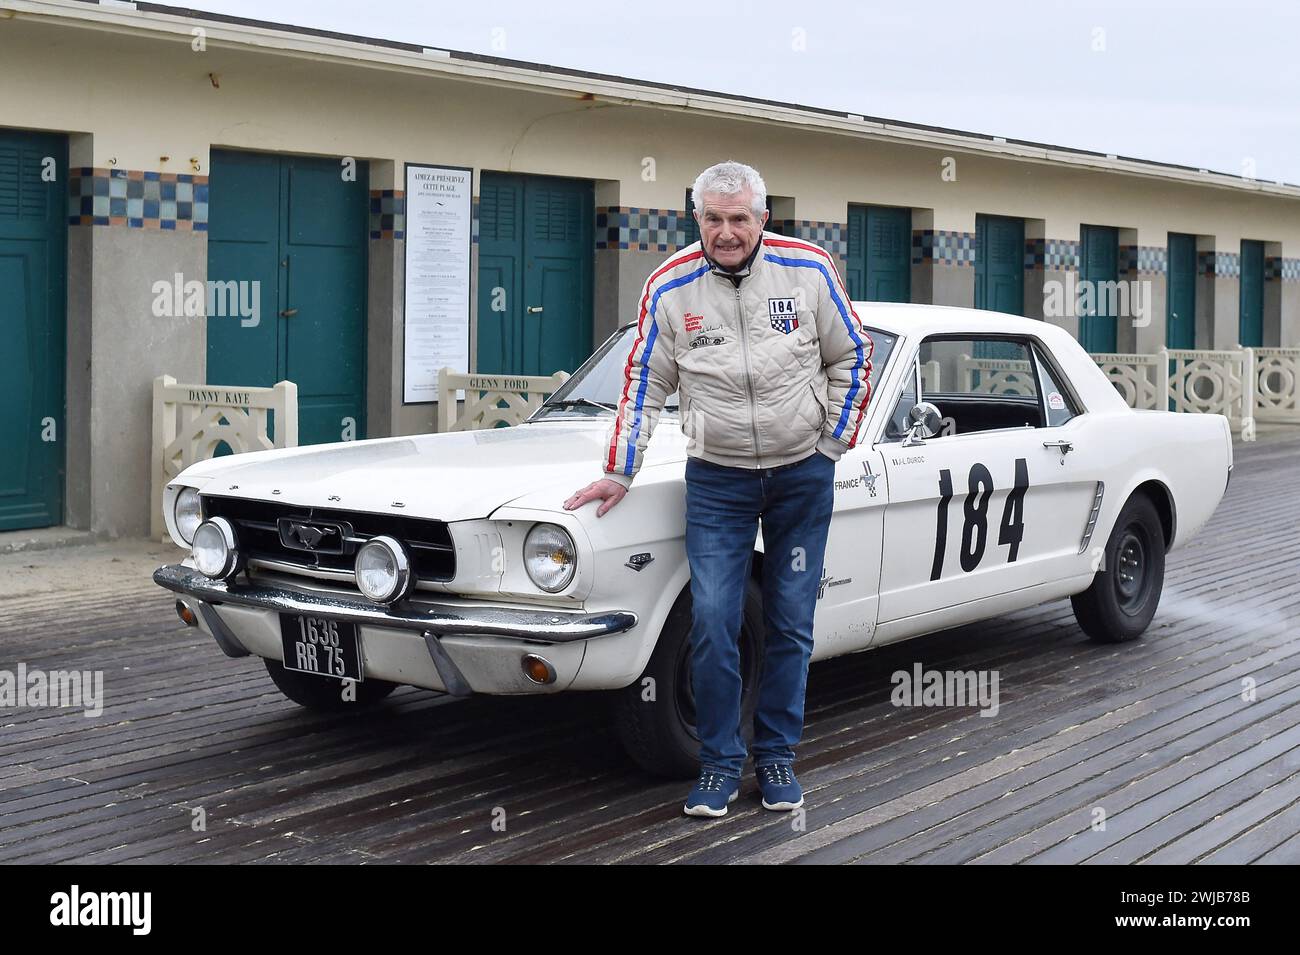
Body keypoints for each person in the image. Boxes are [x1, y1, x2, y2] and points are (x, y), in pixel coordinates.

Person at [563, 160, 873, 817]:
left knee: (791, 620)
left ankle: (779, 757)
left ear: (763, 219)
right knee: (712, 621)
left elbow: (854, 354)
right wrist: (620, 470)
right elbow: (644, 382)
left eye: (739, 218)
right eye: (713, 218)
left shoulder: (810, 268)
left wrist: (831, 444)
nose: (726, 231)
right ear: (696, 219)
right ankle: (720, 763)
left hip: (800, 476)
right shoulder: (670, 286)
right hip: (717, 481)